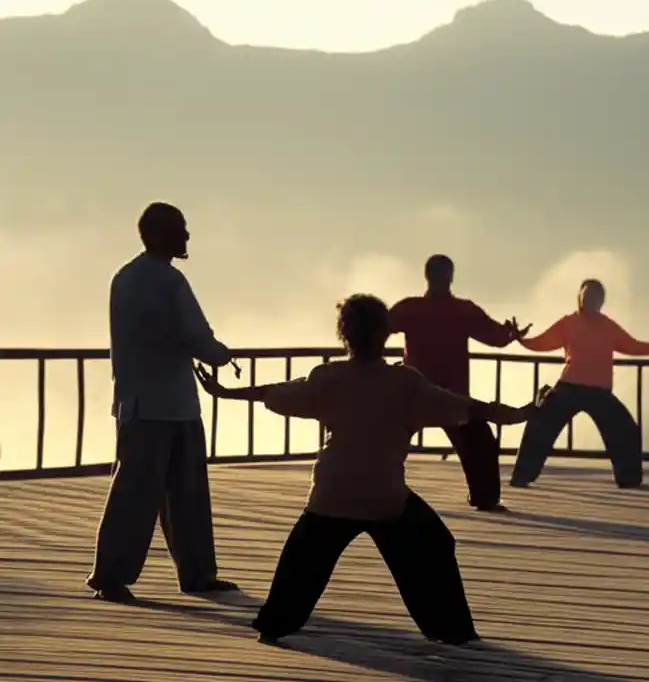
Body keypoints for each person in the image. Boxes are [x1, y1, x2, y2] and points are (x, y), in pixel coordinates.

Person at [195, 294, 547, 645]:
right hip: (385, 497)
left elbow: (277, 393)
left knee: (302, 559)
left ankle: (274, 624)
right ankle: (453, 630)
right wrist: (524, 412)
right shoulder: (406, 384)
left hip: (332, 494)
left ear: (344, 335)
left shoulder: (329, 377)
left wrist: (224, 392)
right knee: (434, 543)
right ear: (385, 335)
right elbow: (470, 408)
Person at [86, 201, 238, 604]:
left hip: (136, 402)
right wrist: (222, 355)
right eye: (180, 230)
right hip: (174, 403)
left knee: (133, 492)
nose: (186, 237)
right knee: (185, 495)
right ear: (158, 234)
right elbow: (195, 335)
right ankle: (196, 572)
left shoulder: (124, 277)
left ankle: (112, 574)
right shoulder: (171, 281)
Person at [389, 254, 530, 512]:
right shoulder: (462, 310)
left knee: (380, 438)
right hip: (450, 396)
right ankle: (485, 498)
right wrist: (511, 334)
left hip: (413, 394)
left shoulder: (410, 308)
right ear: (450, 276)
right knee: (480, 442)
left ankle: (369, 486)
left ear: (426, 275)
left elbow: (378, 328)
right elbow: (496, 336)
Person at [510, 279, 649, 488]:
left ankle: (629, 479)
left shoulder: (607, 326)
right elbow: (542, 342)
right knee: (540, 424)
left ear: (601, 301)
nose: (589, 300)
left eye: (594, 296)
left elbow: (633, 346)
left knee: (626, 430)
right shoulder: (569, 323)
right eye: (586, 295)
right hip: (569, 387)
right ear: (579, 297)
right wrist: (520, 339)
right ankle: (521, 476)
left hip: (599, 392)